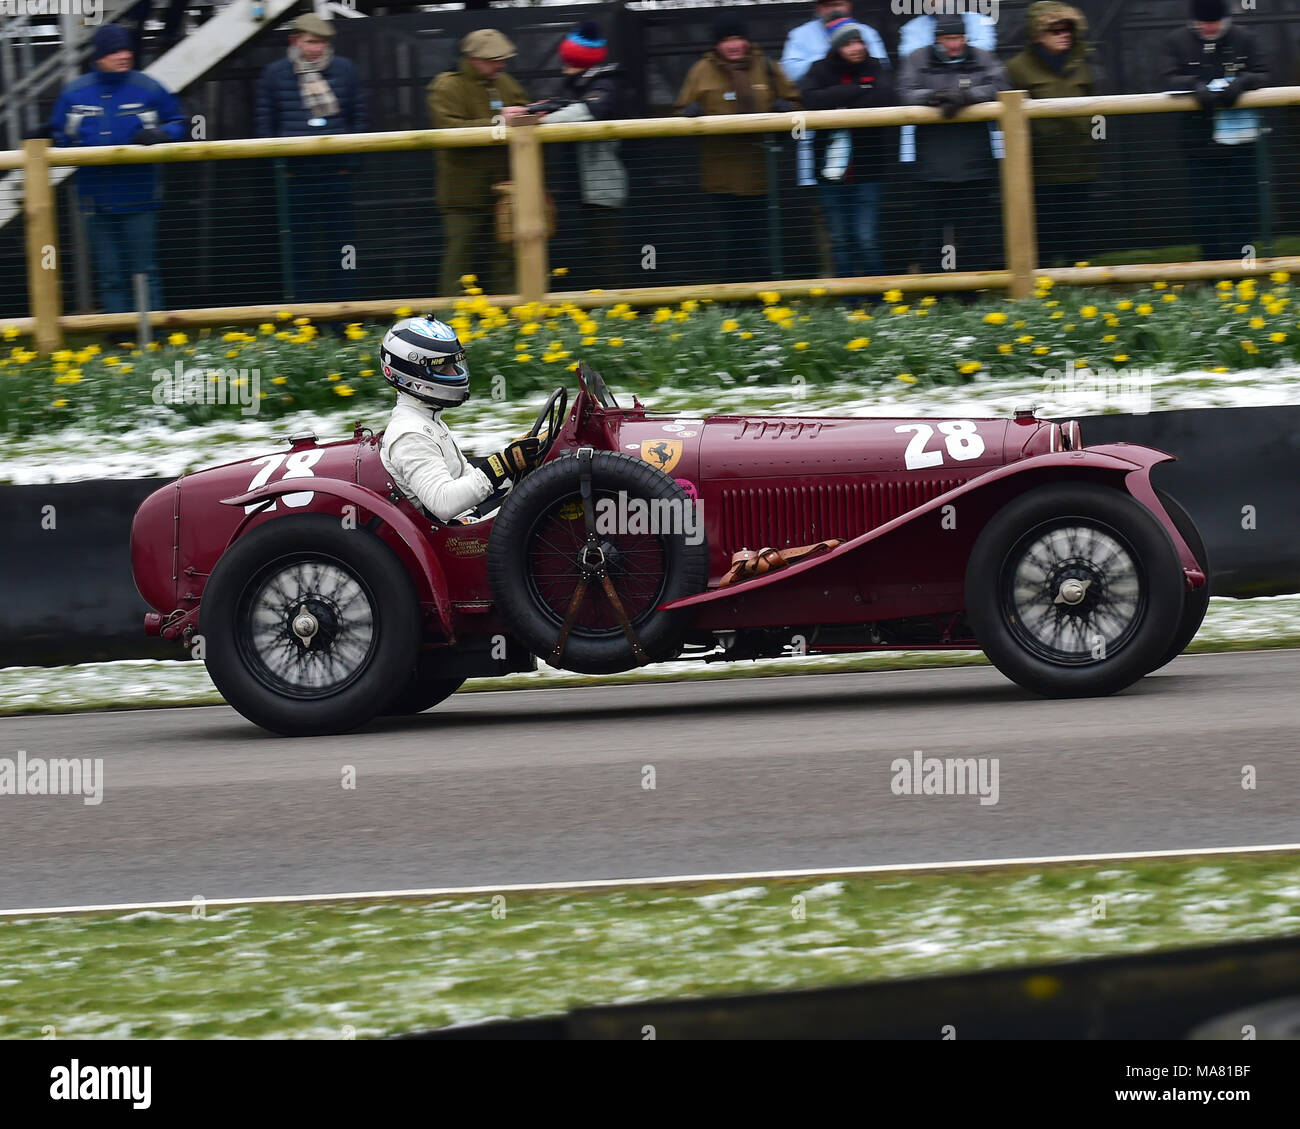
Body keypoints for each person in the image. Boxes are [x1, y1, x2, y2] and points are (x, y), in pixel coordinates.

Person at [48, 24, 186, 315]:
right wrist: (46, 137)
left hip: (141, 198)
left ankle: (152, 336)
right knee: (110, 275)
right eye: (115, 51)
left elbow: (181, 122)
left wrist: (162, 134)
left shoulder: (149, 87)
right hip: (95, 202)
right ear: (99, 57)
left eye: (127, 50)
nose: (124, 55)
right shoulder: (74, 93)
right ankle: (119, 335)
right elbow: (59, 136)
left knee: (144, 271)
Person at [674, 14, 802, 284]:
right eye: (726, 40)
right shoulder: (700, 71)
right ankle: (731, 297)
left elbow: (796, 105)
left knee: (763, 239)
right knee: (729, 239)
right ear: (716, 45)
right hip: (721, 177)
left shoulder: (767, 66)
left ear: (747, 41)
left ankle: (766, 295)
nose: (733, 45)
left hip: (763, 173)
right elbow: (678, 114)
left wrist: (786, 110)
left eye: (738, 38)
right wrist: (689, 114)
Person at [379, 316, 542, 523]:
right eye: (442, 368)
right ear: (410, 373)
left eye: (454, 364)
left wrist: (515, 467)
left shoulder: (427, 420)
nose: (454, 372)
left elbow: (467, 480)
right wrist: (500, 464)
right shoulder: (410, 434)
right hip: (452, 533)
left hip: (465, 520)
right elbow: (443, 503)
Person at [256, 14, 368, 304]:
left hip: (336, 174)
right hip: (295, 177)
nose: (317, 48)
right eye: (311, 42)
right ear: (295, 40)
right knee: (298, 250)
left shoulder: (345, 69)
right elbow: (265, 125)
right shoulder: (275, 74)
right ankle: (303, 316)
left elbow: (359, 118)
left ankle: (344, 314)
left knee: (342, 248)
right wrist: (281, 170)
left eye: (322, 42)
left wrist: (349, 165)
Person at [898, 17, 1010, 282]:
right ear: (937, 39)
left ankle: (973, 288)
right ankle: (935, 289)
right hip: (931, 168)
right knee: (932, 232)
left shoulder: (983, 57)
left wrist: (965, 97)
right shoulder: (916, 59)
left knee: (975, 232)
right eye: (949, 39)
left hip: (975, 165)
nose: (955, 44)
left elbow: (1001, 86)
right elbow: (905, 91)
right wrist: (935, 97)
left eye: (960, 38)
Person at [1163, 0, 1271, 262]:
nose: (1209, 28)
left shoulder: (1245, 37)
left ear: (1225, 19)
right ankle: (1212, 271)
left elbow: (1264, 74)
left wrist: (1243, 82)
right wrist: (1195, 86)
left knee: (1243, 210)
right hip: (1199, 144)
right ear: (1194, 20)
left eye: (1215, 23)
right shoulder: (1176, 40)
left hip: (1241, 144)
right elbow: (1167, 78)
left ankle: (1241, 270)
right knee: (1206, 212)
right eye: (1203, 23)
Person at [428, 30, 531, 297]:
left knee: (506, 259)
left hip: (504, 192)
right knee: (459, 261)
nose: (501, 65)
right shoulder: (446, 86)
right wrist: (501, 121)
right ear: (473, 58)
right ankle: (450, 319)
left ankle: (510, 317)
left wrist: (531, 112)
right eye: (494, 60)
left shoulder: (505, 83)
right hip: (463, 195)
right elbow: (449, 129)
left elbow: (522, 110)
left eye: (503, 59)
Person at [530, 21, 629, 289]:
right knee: (598, 254)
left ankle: (615, 305)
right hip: (589, 189)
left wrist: (538, 121)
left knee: (607, 257)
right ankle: (604, 304)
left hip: (604, 190)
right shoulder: (590, 86)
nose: (564, 69)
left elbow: (588, 111)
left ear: (582, 62)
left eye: (569, 63)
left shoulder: (605, 85)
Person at [798, 20, 896, 280]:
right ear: (837, 47)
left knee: (867, 237)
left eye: (859, 42)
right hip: (828, 171)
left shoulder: (876, 66)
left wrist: (837, 101)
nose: (856, 48)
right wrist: (858, 89)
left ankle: (878, 296)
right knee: (840, 238)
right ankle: (848, 298)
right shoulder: (819, 69)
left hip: (869, 169)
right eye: (849, 43)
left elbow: (886, 97)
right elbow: (810, 99)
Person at [1006, 4, 1101, 267]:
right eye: (1055, 30)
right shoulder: (1017, 68)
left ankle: (1082, 278)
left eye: (1067, 29)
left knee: (1078, 228)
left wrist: (1095, 137)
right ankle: (1042, 281)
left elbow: (1100, 104)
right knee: (1043, 230)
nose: (1064, 35)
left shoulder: (1085, 61)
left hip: (1081, 161)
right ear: (1038, 35)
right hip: (1040, 166)